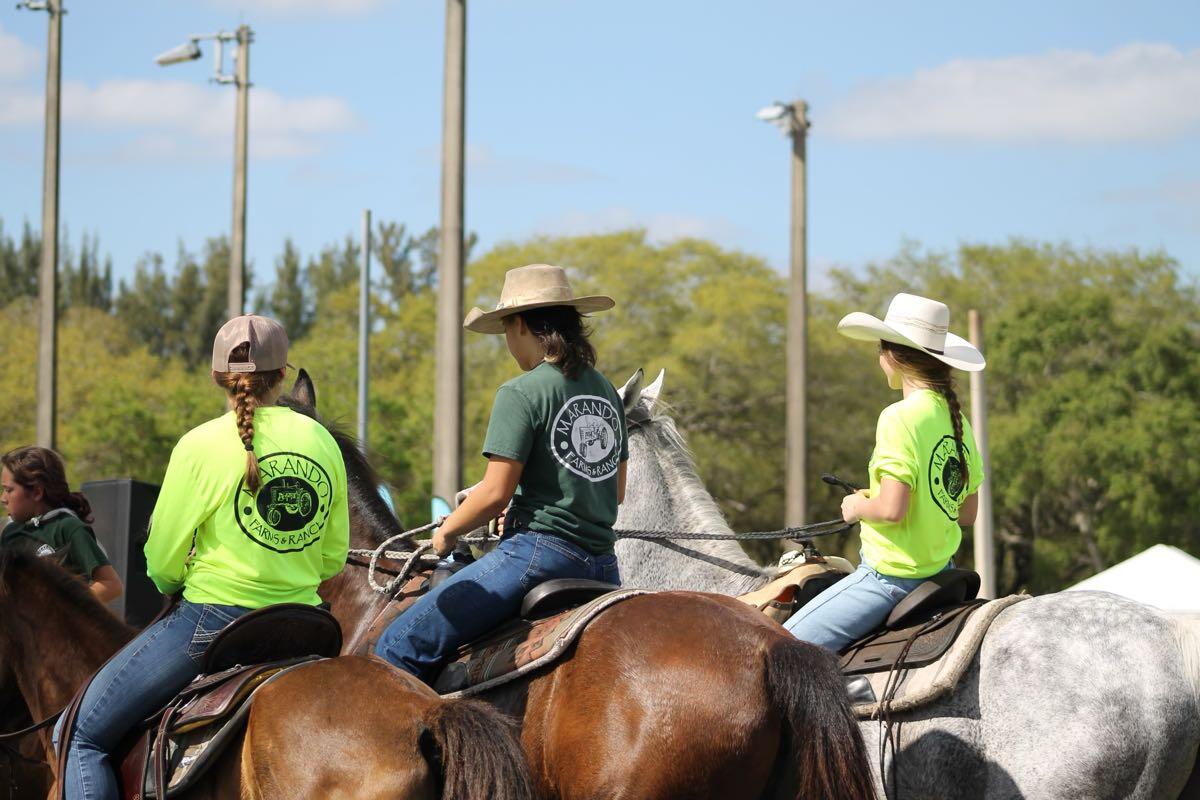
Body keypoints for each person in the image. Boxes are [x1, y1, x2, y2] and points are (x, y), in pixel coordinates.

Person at [54, 315, 349, 800]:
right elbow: (332, 559)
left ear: (217, 376)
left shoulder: (199, 445)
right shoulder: (322, 442)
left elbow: (163, 561)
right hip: (304, 624)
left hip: (213, 624)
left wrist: (180, 574)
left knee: (79, 735)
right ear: (282, 374)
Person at [376, 263, 627, 683]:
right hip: (602, 565)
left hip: (538, 556)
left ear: (522, 325)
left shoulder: (521, 392)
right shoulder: (605, 391)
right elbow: (614, 491)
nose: (508, 343)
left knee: (398, 645)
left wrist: (447, 532)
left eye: (507, 330)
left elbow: (494, 492)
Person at [785, 293, 986, 653]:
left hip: (890, 579)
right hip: (941, 574)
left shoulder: (899, 416)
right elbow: (966, 513)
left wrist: (857, 507)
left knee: (781, 649)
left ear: (893, 355)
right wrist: (879, 497)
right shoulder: (957, 420)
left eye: (880, 348)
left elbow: (893, 510)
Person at [1, 446, 123, 603]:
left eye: (8, 490)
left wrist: (61, 608)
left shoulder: (69, 528)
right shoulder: (10, 533)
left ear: (37, 492)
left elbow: (111, 585)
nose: (3, 498)